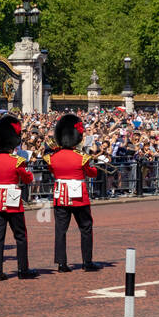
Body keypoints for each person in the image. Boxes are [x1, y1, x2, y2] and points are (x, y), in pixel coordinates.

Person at [0, 115, 38, 281]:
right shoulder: (17, 161)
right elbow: (28, 178)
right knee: (20, 236)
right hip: (13, 201)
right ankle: (23, 269)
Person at [49, 113, 100, 273]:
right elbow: (92, 173)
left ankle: (62, 263)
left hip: (61, 197)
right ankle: (87, 261)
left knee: (60, 230)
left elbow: (52, 170)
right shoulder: (81, 157)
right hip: (79, 198)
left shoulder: (53, 157)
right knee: (85, 228)